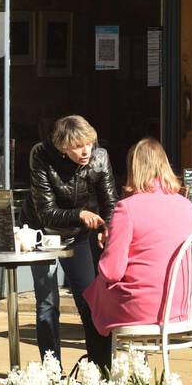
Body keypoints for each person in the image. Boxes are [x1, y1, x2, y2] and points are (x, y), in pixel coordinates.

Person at [83, 138, 192, 370]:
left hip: (142, 307)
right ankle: (133, 372)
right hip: (182, 305)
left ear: (133, 168)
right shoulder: (186, 205)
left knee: (91, 297)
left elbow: (111, 272)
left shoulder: (127, 208)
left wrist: (108, 247)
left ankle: (103, 375)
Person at [28, 115, 117, 368]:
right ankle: (52, 371)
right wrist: (79, 214)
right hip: (42, 233)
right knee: (47, 303)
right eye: (78, 146)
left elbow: (110, 201)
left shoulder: (100, 158)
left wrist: (106, 227)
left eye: (89, 143)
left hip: (78, 234)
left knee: (90, 300)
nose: (86, 150)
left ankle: (100, 369)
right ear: (62, 147)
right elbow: (46, 212)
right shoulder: (41, 156)